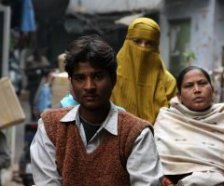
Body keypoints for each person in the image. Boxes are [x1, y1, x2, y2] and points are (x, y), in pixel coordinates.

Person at [30, 35, 163, 186]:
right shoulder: (50, 126)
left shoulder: (136, 133)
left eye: (98, 76)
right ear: (71, 83)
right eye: (80, 78)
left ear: (113, 79)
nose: (89, 87)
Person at [154, 66, 224, 186]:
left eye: (202, 83)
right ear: (179, 95)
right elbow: (157, 166)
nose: (197, 90)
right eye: (189, 86)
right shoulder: (168, 120)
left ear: (212, 89)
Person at [111, 17, 177, 124]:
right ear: (127, 42)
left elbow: (173, 120)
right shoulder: (110, 76)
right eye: (137, 41)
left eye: (149, 43)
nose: (142, 48)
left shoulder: (168, 82)